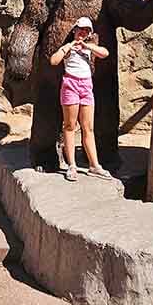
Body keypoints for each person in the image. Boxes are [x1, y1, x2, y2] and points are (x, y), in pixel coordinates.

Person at [50, 17, 113, 182]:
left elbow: (105, 53)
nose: (82, 32)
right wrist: (68, 47)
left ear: (89, 33)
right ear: (74, 30)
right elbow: (54, 60)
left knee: (88, 128)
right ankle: (72, 165)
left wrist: (86, 45)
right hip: (70, 85)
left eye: (86, 30)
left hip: (86, 87)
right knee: (70, 126)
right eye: (80, 29)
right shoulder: (68, 47)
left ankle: (94, 165)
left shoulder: (88, 48)